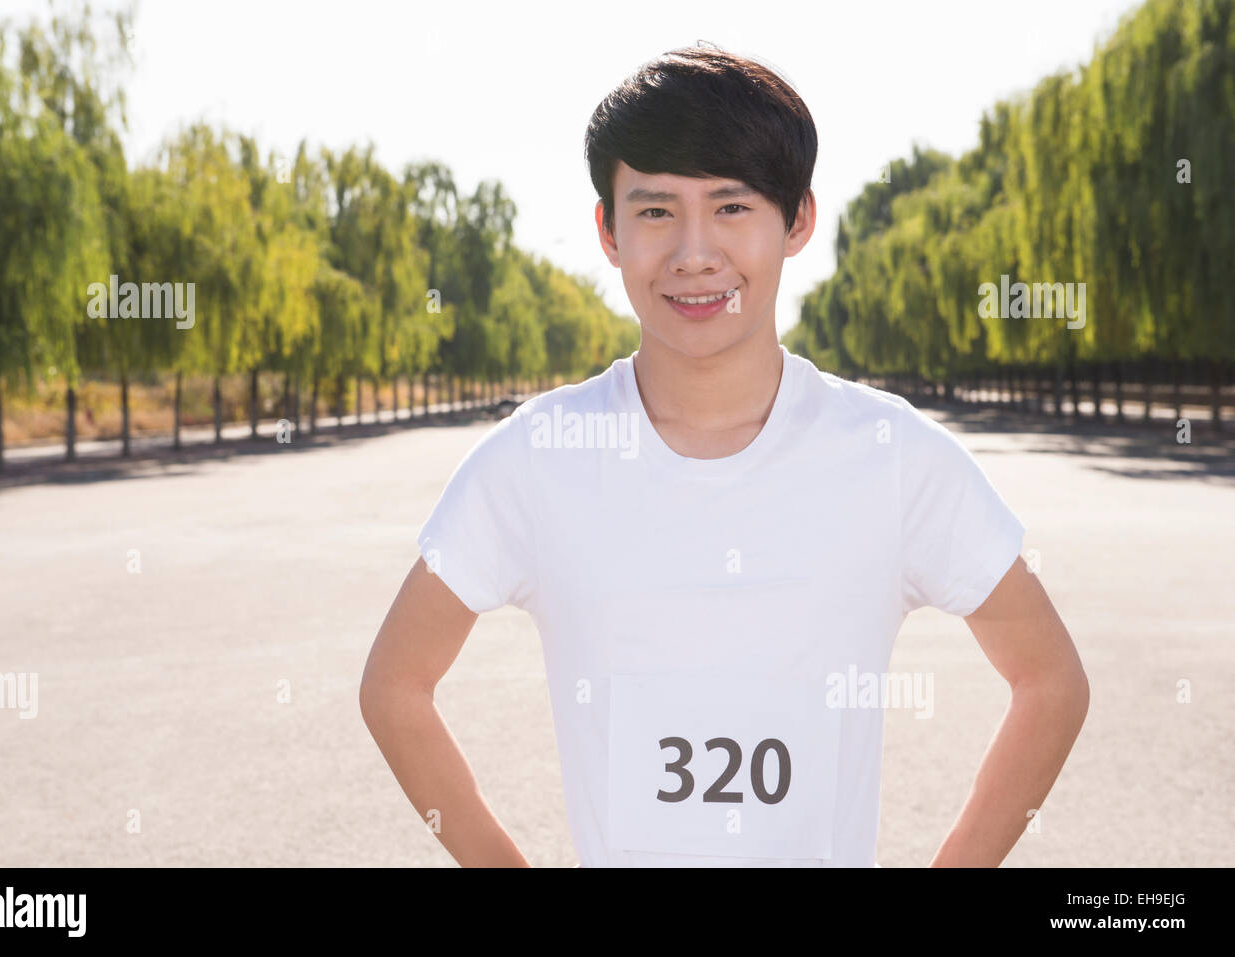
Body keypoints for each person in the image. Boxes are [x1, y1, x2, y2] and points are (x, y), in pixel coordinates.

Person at [359, 44, 1089, 867]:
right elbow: (394, 686)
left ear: (798, 220)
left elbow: (1051, 681)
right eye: (656, 211)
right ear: (608, 230)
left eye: (733, 206)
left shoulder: (891, 455)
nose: (694, 253)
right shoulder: (538, 456)